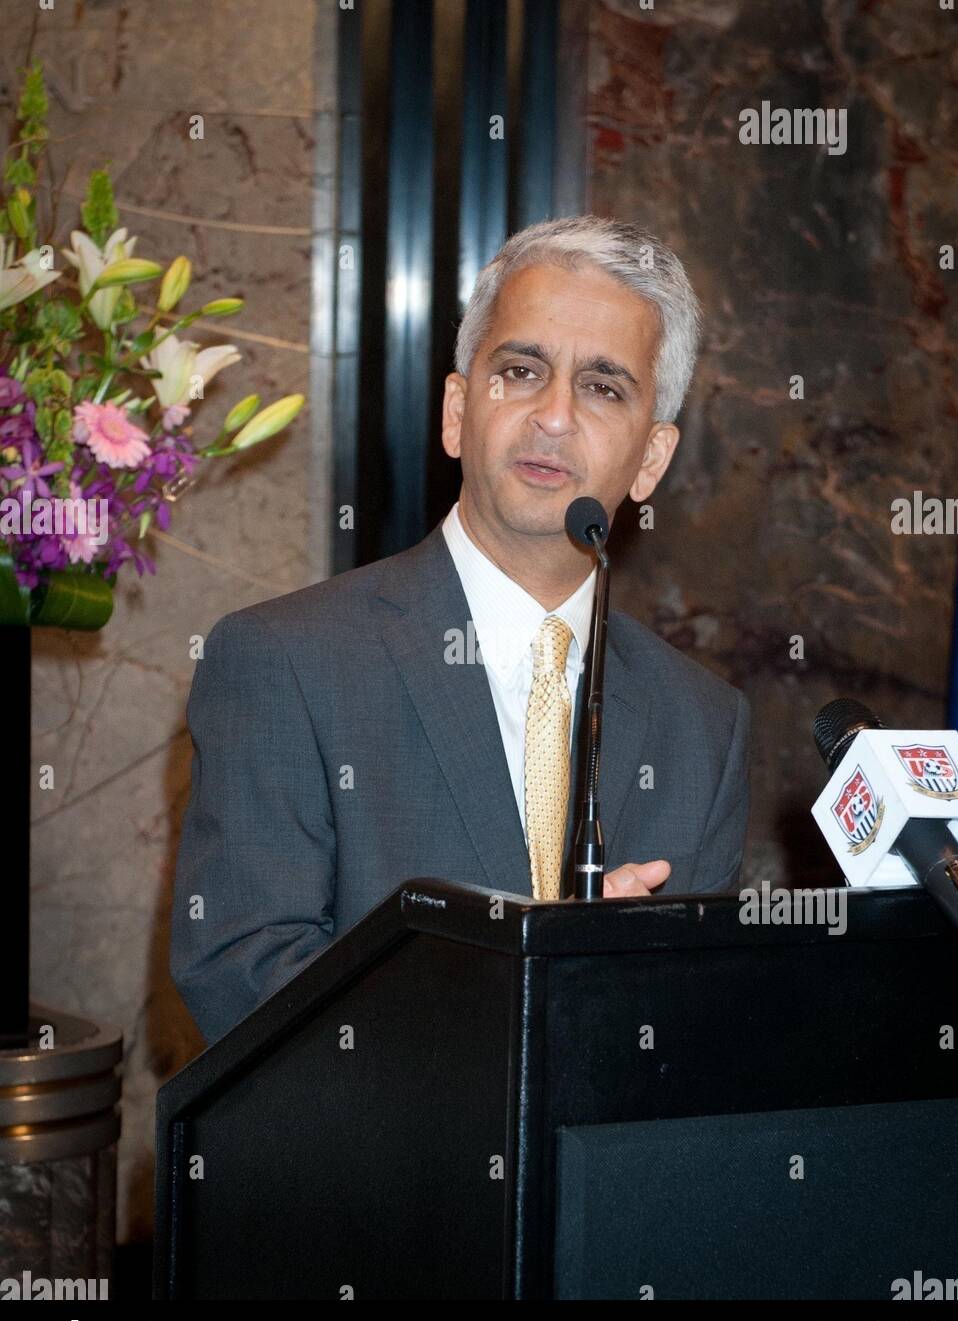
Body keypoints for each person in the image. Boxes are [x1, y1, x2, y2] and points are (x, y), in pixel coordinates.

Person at [170, 215, 751, 1045]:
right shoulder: (286, 662)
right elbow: (241, 981)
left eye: (602, 387)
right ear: (456, 410)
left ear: (652, 459)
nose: (553, 416)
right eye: (520, 370)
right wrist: (519, 987)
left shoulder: (703, 725)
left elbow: (704, 1029)